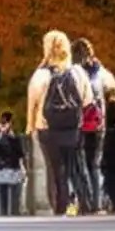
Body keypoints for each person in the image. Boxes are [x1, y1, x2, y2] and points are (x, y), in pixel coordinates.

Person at [27, 30, 91, 217]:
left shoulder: (41, 75)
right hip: (73, 127)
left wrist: (31, 126)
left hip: (47, 127)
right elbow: (87, 101)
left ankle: (60, 205)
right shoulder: (78, 72)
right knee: (74, 166)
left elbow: (33, 102)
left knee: (55, 168)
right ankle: (79, 202)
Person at [73, 38, 115, 215]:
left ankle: (84, 201)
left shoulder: (74, 73)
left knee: (80, 164)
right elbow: (113, 90)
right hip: (98, 123)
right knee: (95, 164)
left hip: (79, 124)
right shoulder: (101, 71)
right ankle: (97, 203)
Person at [0, 112, 26, 216]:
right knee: (1, 193)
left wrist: (11, 137)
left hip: (13, 168)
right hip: (0, 168)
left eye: (7, 123)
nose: (5, 126)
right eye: (3, 123)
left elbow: (20, 153)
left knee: (14, 194)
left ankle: (14, 213)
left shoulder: (15, 137)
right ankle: (2, 213)